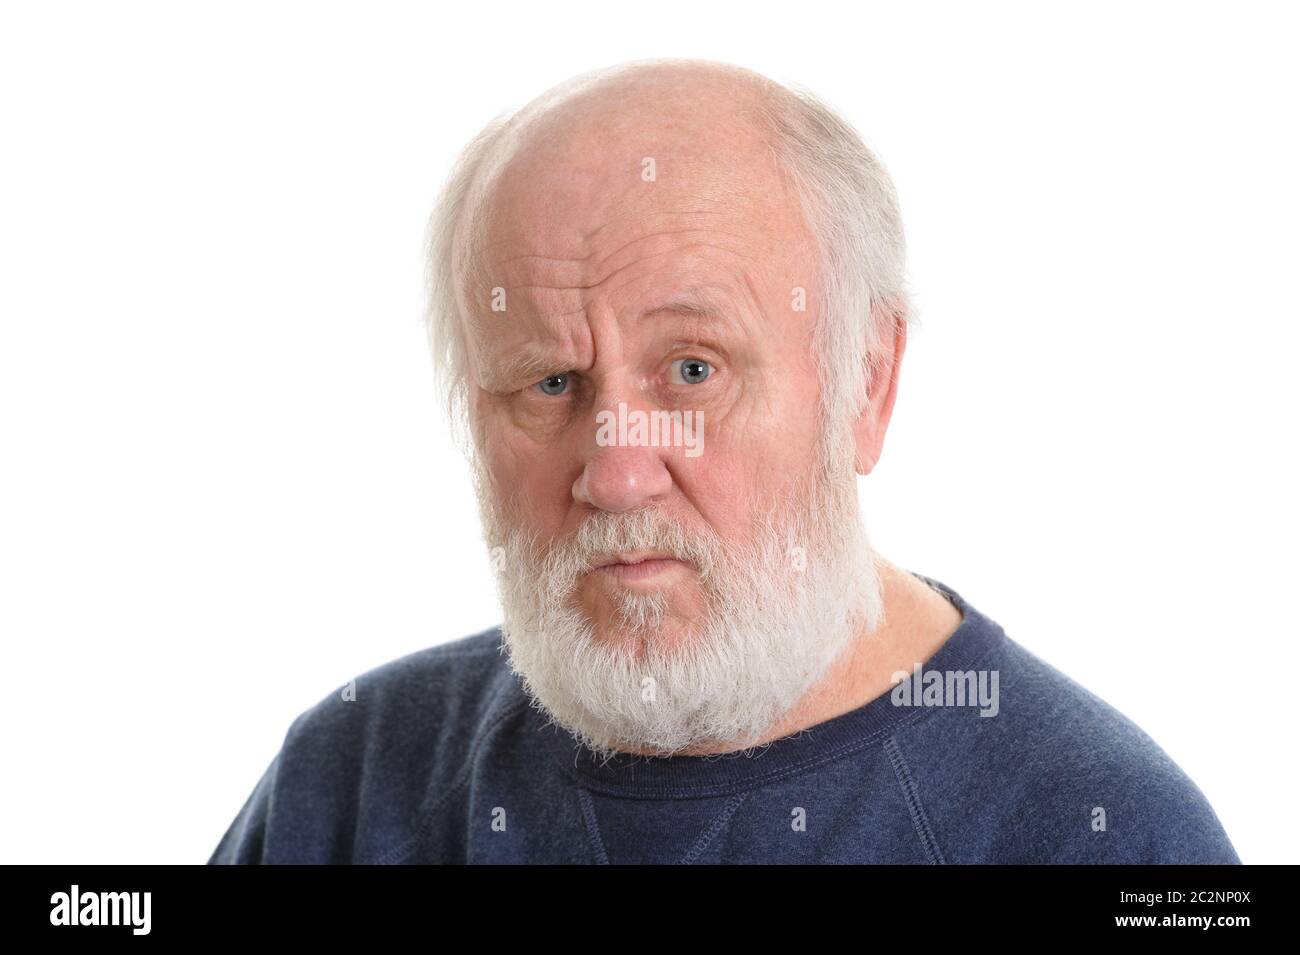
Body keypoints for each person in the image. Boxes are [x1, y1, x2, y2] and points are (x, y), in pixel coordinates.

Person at [210, 58, 1240, 864]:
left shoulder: (1102, 831)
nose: (616, 474)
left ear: (866, 383)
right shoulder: (346, 785)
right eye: (550, 385)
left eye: (693, 370)